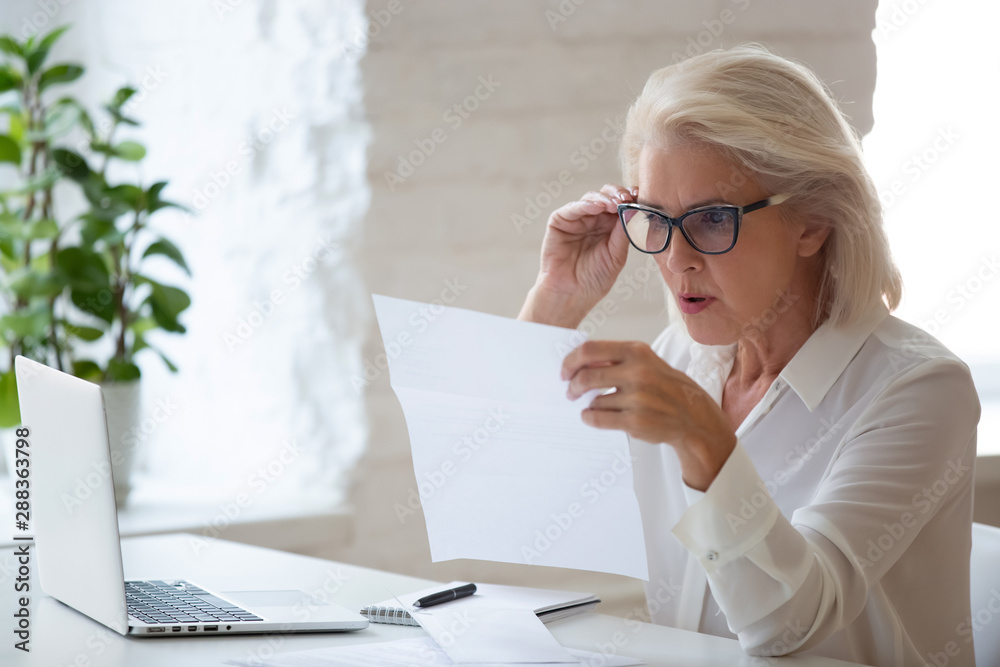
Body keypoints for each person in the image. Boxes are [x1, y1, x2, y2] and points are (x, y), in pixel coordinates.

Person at [517, 44, 981, 666]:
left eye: (711, 219)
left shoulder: (919, 390)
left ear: (811, 222)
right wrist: (557, 300)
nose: (676, 259)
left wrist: (706, 440)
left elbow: (789, 628)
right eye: (655, 217)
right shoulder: (683, 357)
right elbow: (517, 497)